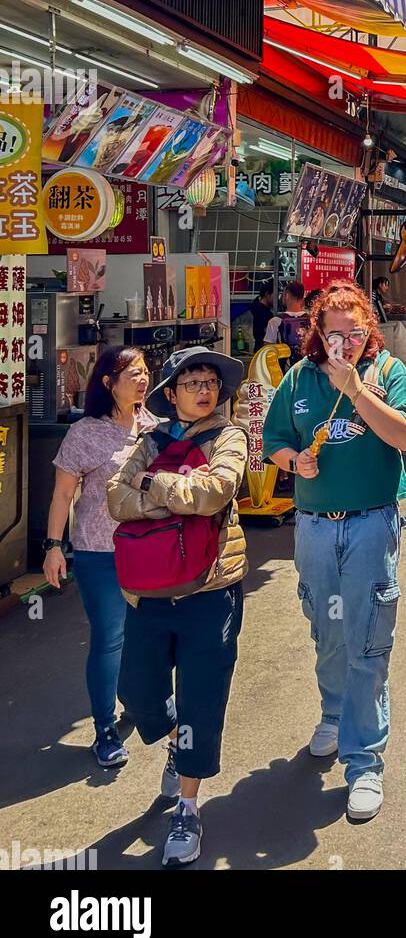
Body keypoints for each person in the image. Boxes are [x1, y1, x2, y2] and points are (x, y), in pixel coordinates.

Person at [263, 282, 406, 823]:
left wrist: (356, 390)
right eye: (335, 333)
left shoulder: (386, 375)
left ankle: (364, 761)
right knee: (326, 630)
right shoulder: (299, 379)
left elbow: (405, 439)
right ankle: (333, 712)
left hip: (371, 522)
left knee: (368, 637)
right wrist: (293, 462)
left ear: (367, 331)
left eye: (355, 332)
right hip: (313, 525)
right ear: (318, 333)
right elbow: (275, 440)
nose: (345, 342)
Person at [106, 346, 247, 866]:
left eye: (211, 381)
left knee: (201, 702)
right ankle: (173, 742)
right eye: (192, 383)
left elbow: (214, 492)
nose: (205, 390)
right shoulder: (151, 439)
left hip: (210, 591)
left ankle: (188, 806)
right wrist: (171, 490)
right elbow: (115, 499)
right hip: (148, 592)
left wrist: (151, 485)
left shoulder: (229, 436)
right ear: (171, 394)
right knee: (136, 690)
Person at [46, 347, 157, 768]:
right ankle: (104, 729)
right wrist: (54, 546)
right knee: (110, 637)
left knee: (143, 633)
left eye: (146, 372)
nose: (142, 380)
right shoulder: (85, 433)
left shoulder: (154, 428)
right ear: (108, 382)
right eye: (132, 374)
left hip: (148, 551)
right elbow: (62, 494)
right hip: (99, 552)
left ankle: (134, 700)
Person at [265, 282, 310, 366]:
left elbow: (268, 351)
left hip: (284, 371)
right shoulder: (311, 320)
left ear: (287, 296)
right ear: (302, 298)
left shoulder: (275, 321)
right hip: (307, 369)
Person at [251, 281, 274, 347]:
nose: (276, 298)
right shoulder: (265, 313)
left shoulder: (254, 306)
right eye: (274, 295)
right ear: (267, 294)